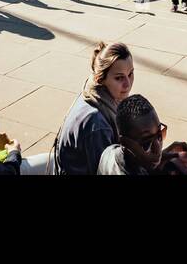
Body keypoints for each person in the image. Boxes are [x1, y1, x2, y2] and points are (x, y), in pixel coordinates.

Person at [52, 41, 134, 175]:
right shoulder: (98, 124)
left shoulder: (93, 93)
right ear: (100, 79)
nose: (128, 84)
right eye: (119, 78)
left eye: (130, 74)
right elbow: (109, 171)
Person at [98, 94, 167, 175]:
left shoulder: (110, 151)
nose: (158, 150)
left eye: (160, 135)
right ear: (124, 142)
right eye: (146, 143)